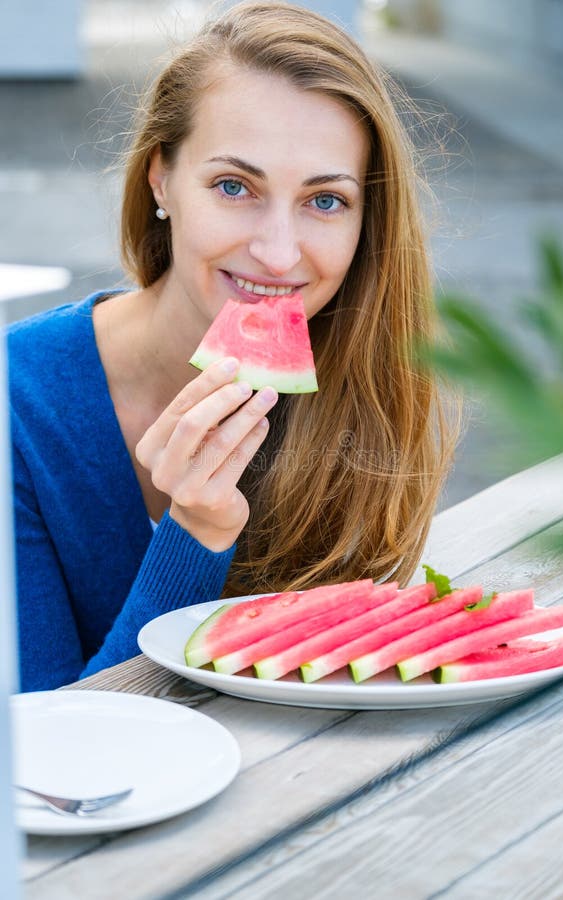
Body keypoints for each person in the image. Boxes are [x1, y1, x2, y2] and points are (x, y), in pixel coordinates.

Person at [8, 0, 455, 692]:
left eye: (326, 200)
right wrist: (193, 533)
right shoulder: (18, 403)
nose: (278, 254)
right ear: (161, 180)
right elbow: (44, 751)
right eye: (233, 186)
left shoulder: (369, 383)